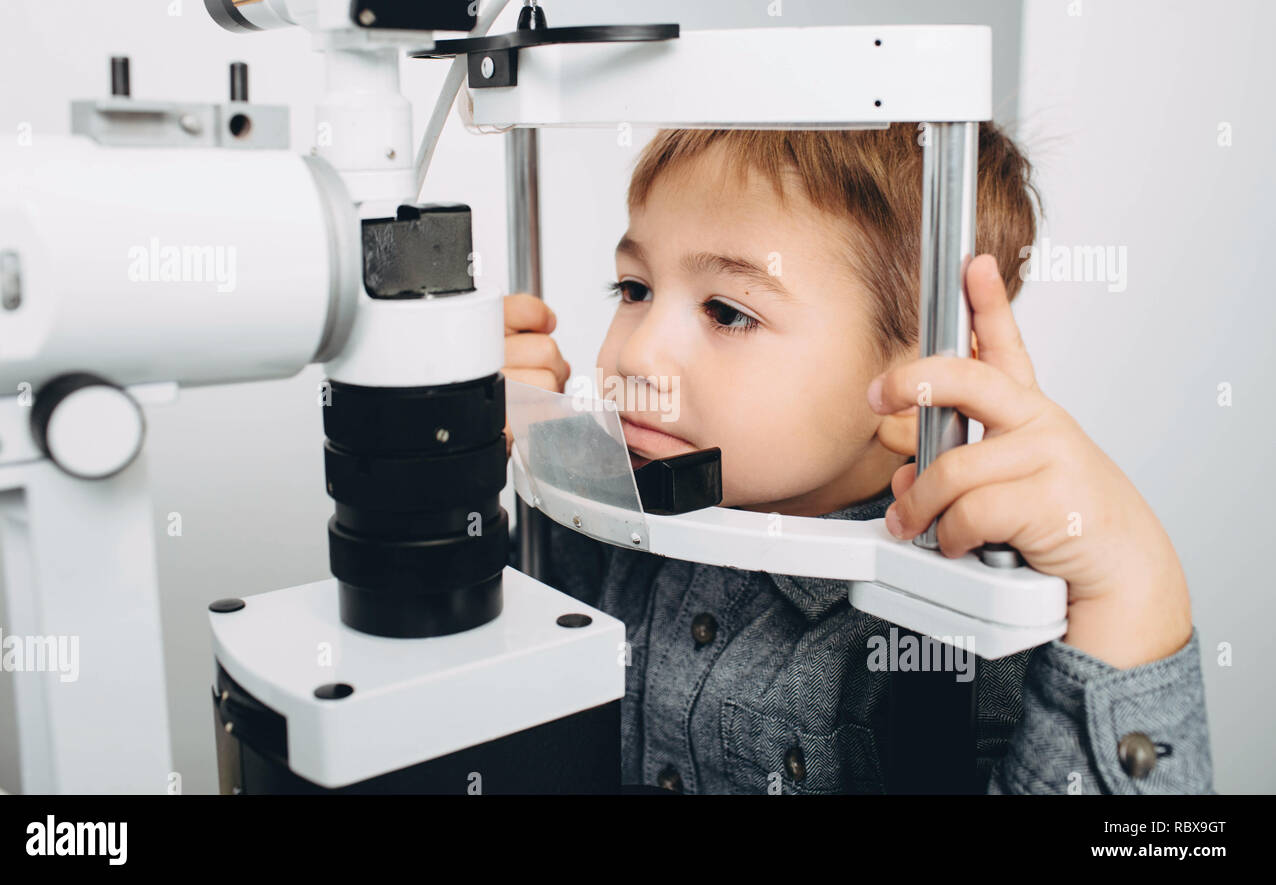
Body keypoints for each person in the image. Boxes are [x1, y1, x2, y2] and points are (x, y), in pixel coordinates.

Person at [500, 124, 1212, 794]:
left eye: (727, 311)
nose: (635, 353)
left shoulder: (956, 616)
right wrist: (470, 452)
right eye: (634, 289)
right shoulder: (600, 512)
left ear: (916, 393)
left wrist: (1134, 600)